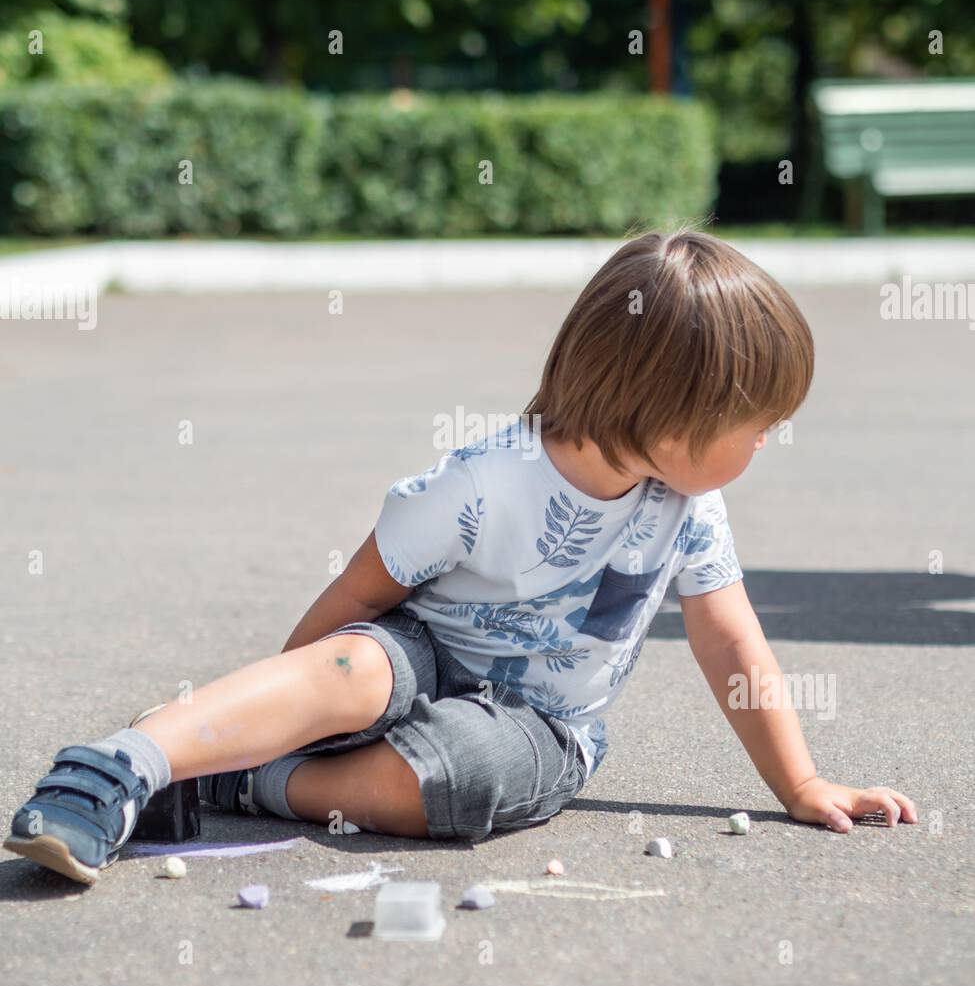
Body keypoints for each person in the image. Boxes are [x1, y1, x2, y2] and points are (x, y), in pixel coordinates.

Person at [4, 229, 916, 884]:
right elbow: (350, 601)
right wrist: (293, 704)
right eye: (755, 426)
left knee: (468, 777)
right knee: (358, 660)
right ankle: (120, 766)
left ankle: (245, 775)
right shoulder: (482, 485)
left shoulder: (686, 504)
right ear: (667, 417)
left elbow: (732, 645)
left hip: (540, 729)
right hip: (418, 657)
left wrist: (798, 783)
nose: (766, 443)